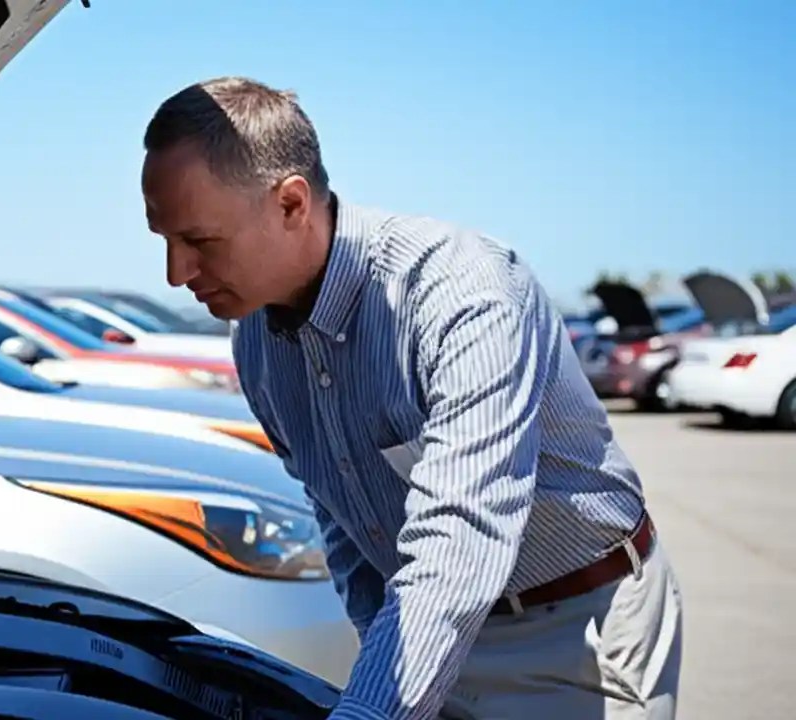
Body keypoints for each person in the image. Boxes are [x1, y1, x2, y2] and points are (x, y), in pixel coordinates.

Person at [139, 76, 683, 719]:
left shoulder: (465, 297)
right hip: (427, 633)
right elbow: (341, 514)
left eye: (200, 242)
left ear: (290, 204)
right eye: (165, 241)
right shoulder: (256, 343)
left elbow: (461, 532)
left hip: (571, 636)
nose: (176, 274)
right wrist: (382, 654)